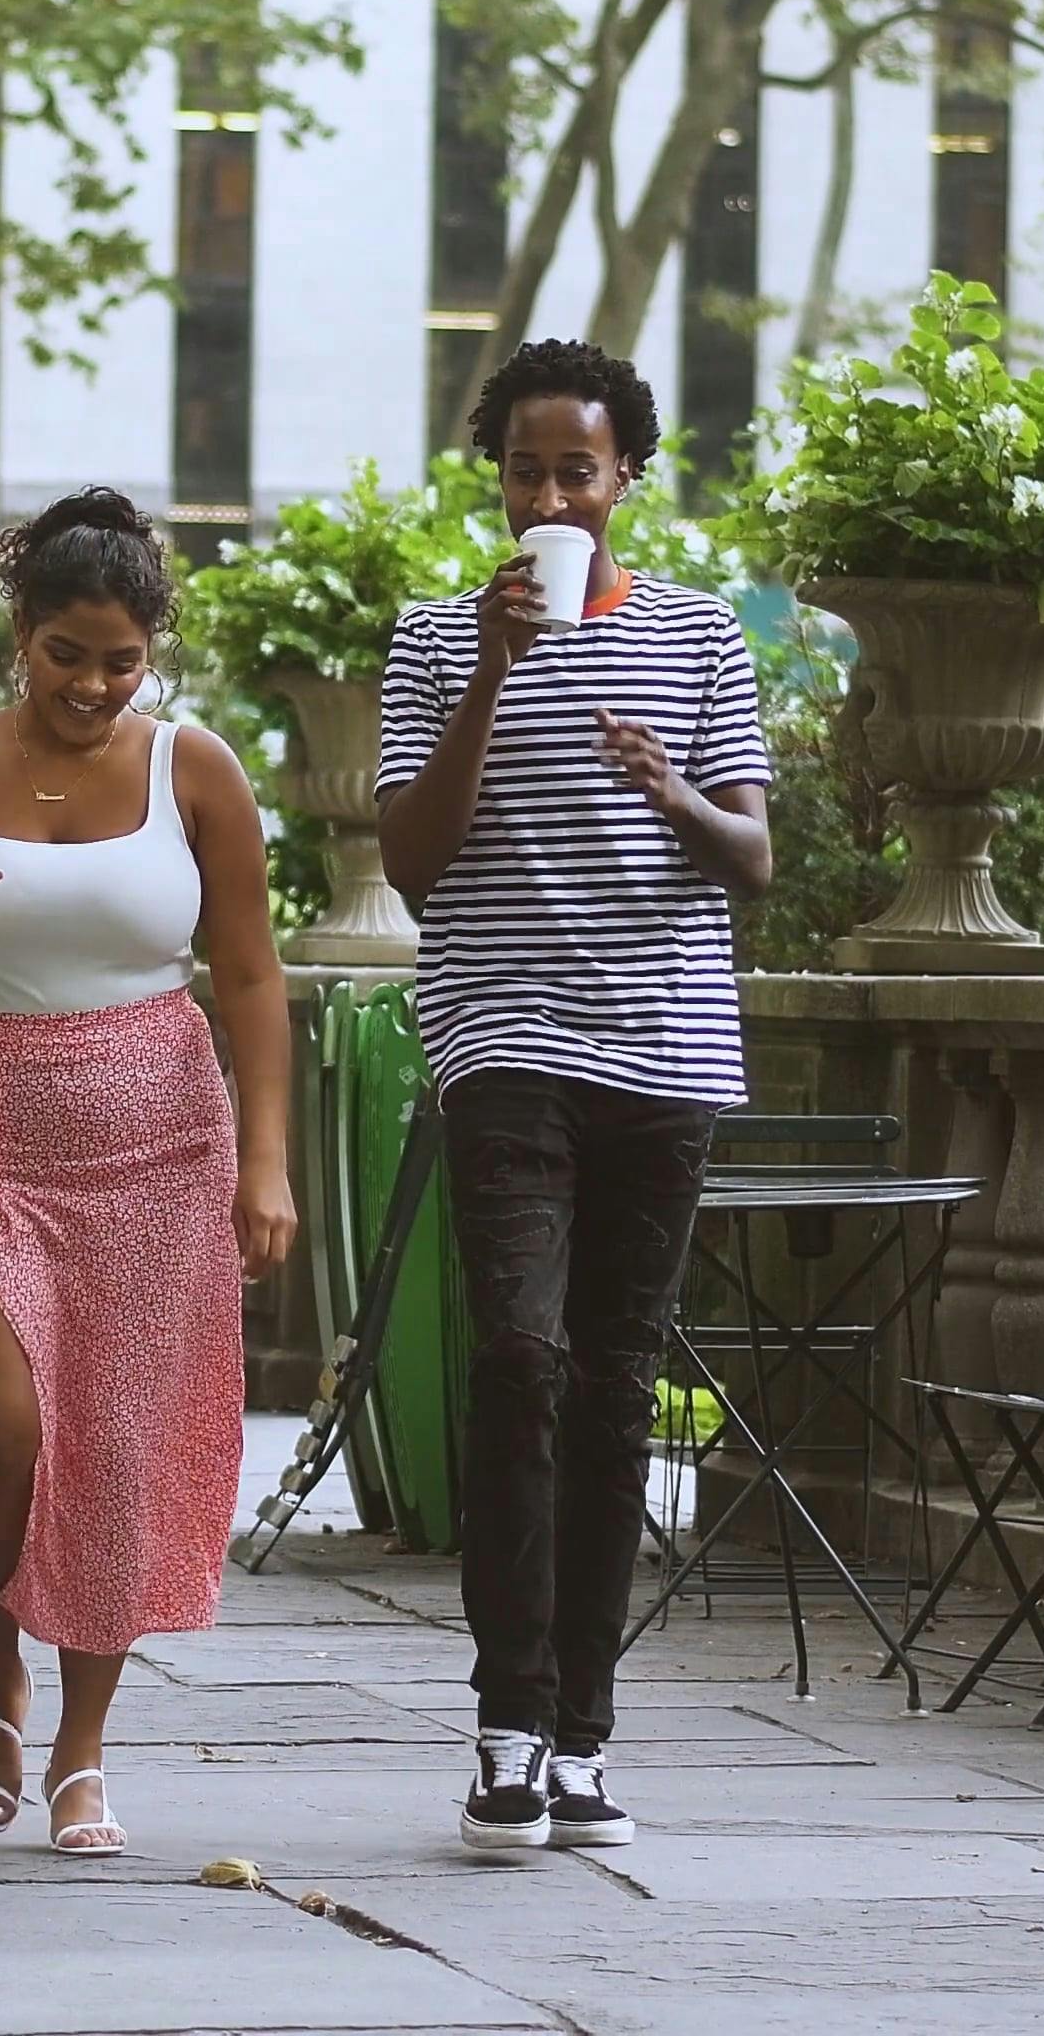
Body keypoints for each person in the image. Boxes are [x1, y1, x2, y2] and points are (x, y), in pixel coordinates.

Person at [0, 486, 297, 1858]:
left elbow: (251, 975)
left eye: (122, 662)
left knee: (115, 1441)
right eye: (66, 656)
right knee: (0, 1430)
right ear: (19, 635)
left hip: (161, 1135)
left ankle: (83, 1750)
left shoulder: (196, 771)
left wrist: (266, 1164)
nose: (95, 686)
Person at [375, 340, 775, 1853]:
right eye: (527, 471)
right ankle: (507, 1725)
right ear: (498, 482)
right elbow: (416, 865)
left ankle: (584, 1742)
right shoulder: (435, 640)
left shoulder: (700, 634)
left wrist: (671, 788)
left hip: (665, 1052)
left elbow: (754, 860)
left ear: (627, 481)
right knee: (519, 1360)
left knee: (615, 1385)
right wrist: (493, 665)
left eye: (578, 472)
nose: (552, 497)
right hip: (503, 1040)